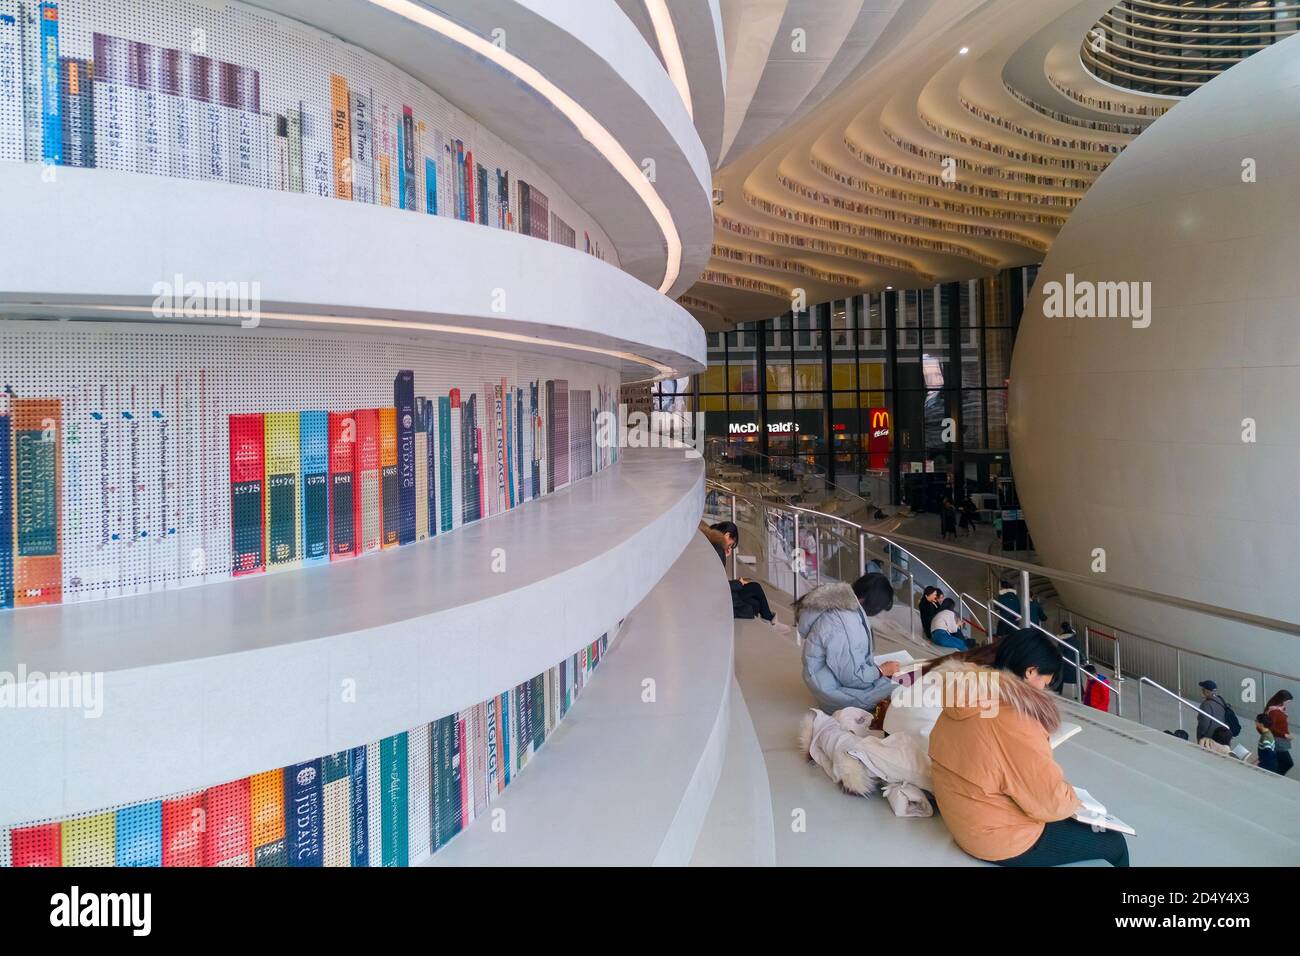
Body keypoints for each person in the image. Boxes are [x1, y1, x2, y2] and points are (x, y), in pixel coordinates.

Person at [928, 629, 1129, 867]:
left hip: (963, 817)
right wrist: (1075, 800)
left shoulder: (967, 695)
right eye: (1045, 681)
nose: (1043, 689)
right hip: (996, 837)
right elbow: (1048, 803)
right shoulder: (1014, 719)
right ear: (1030, 671)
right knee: (1114, 843)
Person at [797, 573, 901, 714]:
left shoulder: (842, 608)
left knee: (901, 683)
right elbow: (852, 678)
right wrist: (881, 670)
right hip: (834, 692)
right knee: (904, 690)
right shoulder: (844, 623)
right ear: (869, 601)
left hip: (827, 681)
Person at [700, 521, 784, 629]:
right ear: (726, 535)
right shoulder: (718, 550)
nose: (729, 548)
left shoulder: (710, 545)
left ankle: (770, 619)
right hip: (717, 597)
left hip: (711, 596)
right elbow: (716, 585)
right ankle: (770, 620)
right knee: (755, 589)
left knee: (754, 602)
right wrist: (738, 583)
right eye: (730, 544)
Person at [1266, 690, 1293, 776]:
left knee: (1279, 761)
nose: (1287, 704)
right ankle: (1276, 777)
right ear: (1281, 700)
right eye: (1287, 702)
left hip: (1280, 739)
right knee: (1288, 763)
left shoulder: (1279, 708)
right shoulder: (1274, 711)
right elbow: (1271, 727)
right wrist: (1284, 734)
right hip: (1278, 740)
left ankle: (1275, 776)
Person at [1056, 623, 1084, 691]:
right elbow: (1080, 650)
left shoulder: (1062, 640)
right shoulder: (1075, 639)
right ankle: (1082, 693)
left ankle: (1059, 690)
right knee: (1077, 678)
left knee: (1061, 676)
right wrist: (1082, 660)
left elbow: (1059, 651)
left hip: (1065, 662)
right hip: (1075, 661)